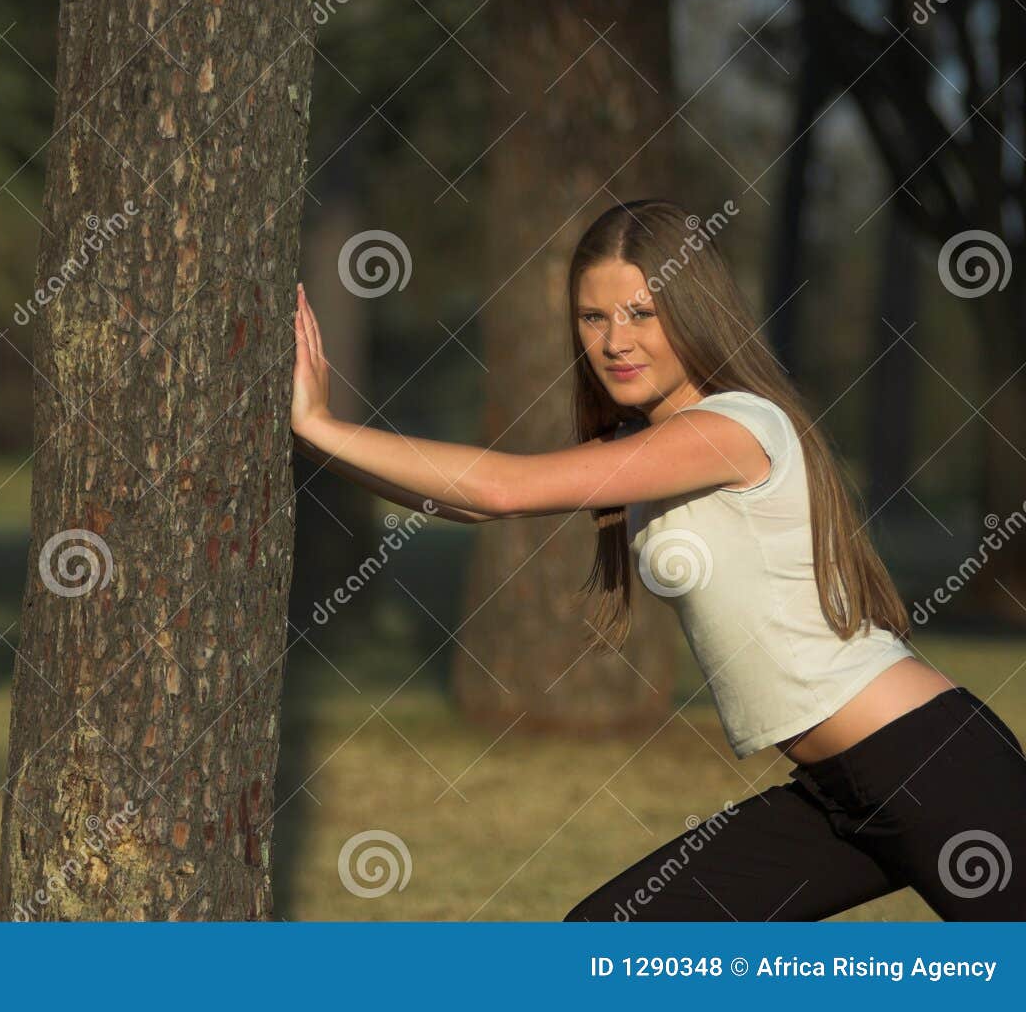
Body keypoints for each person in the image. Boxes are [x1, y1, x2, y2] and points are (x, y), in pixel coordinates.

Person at [289, 198, 1026, 921]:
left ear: (695, 310)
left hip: (931, 763)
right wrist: (318, 444)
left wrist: (324, 425)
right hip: (839, 786)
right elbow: (474, 503)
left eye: (641, 313)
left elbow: (502, 489)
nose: (616, 341)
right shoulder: (653, 445)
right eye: (593, 317)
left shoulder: (732, 428)